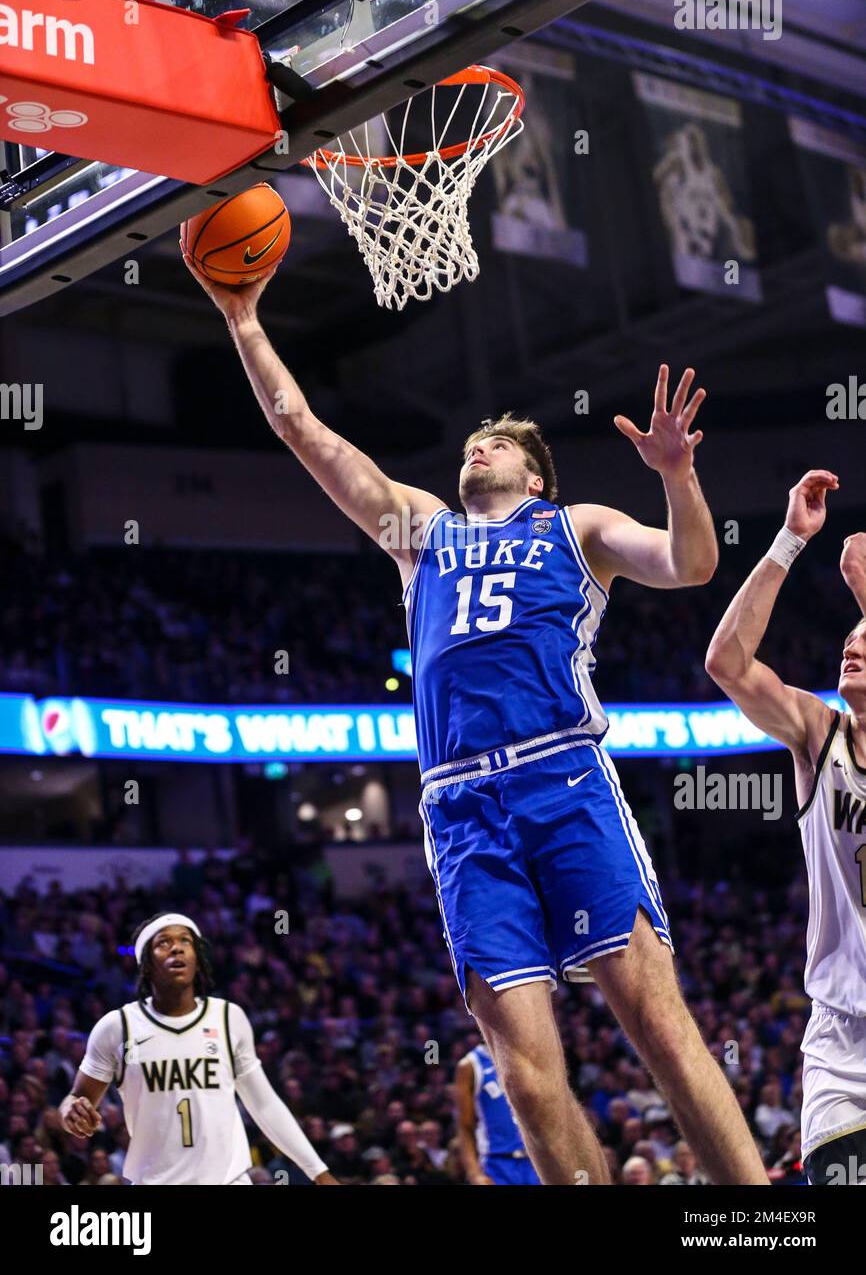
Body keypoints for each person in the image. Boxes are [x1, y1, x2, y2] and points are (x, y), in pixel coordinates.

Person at [183, 256, 768, 1186]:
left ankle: (763, 1218)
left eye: (498, 445)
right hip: (458, 806)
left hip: (561, 777)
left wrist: (678, 475)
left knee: (656, 1024)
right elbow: (304, 432)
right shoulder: (423, 532)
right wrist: (244, 317)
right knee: (527, 1080)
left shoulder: (574, 527)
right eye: (472, 444)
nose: (476, 449)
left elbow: (691, 564)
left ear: (535, 478)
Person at [706, 472, 866, 1186]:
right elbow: (727, 664)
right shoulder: (819, 732)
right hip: (841, 1039)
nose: (851, 647)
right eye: (850, 639)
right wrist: (789, 541)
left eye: (865, 637)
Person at [58, 914, 337, 1186]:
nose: (177, 947)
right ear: (146, 964)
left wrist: (318, 1172)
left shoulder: (229, 1018)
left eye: (185, 941)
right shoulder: (117, 1027)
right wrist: (72, 1112)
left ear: (197, 959)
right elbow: (76, 1098)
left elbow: (264, 1104)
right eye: (163, 942)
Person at [456, 1043, 540, 1185]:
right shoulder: (470, 1064)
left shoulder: (530, 1057)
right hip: (497, 1164)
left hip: (537, 1161)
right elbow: (465, 1127)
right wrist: (474, 1174)